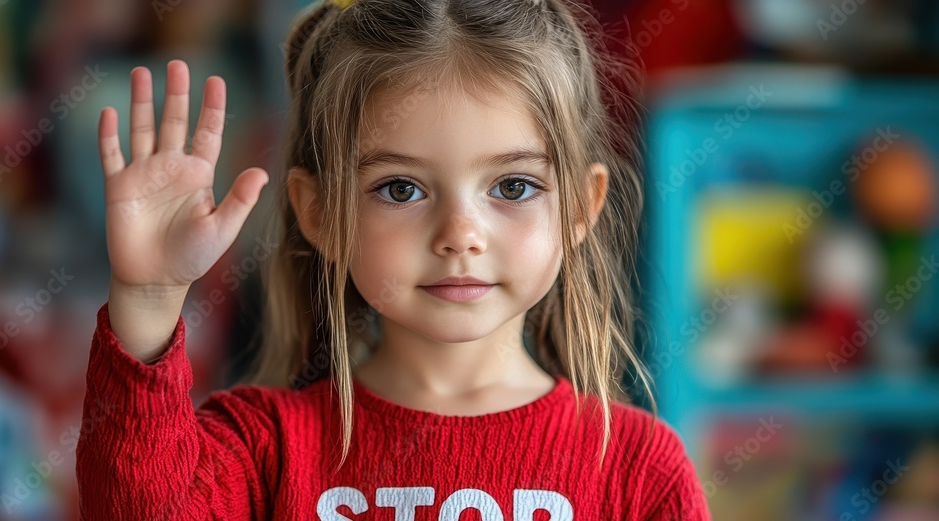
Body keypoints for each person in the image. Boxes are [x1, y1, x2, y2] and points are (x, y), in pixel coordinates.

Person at [76, 0, 712, 518]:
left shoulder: (638, 468)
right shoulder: (265, 449)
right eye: (401, 188)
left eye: (513, 186)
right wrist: (151, 295)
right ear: (320, 212)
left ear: (579, 206)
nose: (461, 234)